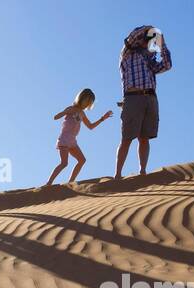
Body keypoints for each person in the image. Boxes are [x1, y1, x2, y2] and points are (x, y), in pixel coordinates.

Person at [114, 25, 172, 179]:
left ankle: (142, 171)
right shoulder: (127, 54)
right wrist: (152, 30)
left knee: (144, 138)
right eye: (149, 41)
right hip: (133, 97)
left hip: (151, 99)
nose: (150, 45)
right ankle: (118, 174)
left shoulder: (150, 61)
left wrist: (162, 43)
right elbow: (133, 36)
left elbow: (167, 65)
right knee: (127, 138)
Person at [45, 89, 112, 185]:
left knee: (82, 160)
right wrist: (66, 112)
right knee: (64, 163)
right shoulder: (71, 108)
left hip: (72, 141)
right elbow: (55, 117)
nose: (87, 105)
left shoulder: (82, 113)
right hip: (64, 139)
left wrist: (102, 119)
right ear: (81, 99)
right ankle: (49, 183)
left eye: (89, 103)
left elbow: (90, 126)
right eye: (87, 102)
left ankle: (71, 182)